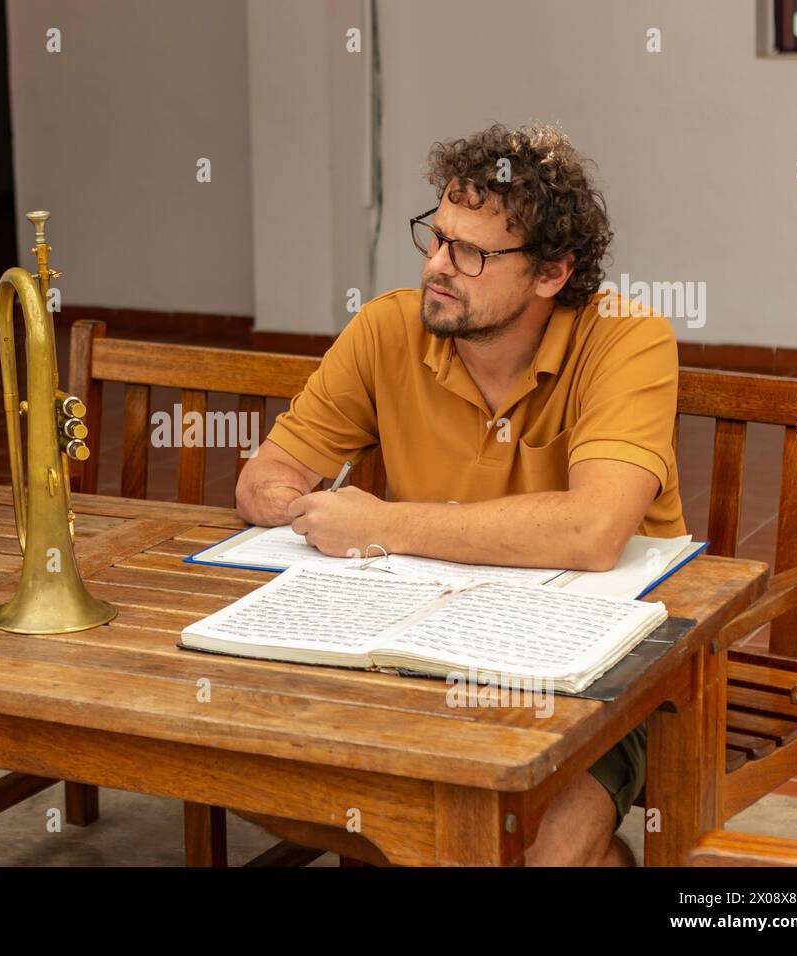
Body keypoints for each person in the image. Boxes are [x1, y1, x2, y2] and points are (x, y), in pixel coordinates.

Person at [235, 122, 685, 866]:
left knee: (519, 852)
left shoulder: (626, 339)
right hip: (420, 653)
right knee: (257, 774)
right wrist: (306, 514)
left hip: (599, 674)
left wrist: (382, 525)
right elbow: (263, 480)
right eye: (435, 238)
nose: (437, 268)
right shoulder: (386, 328)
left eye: (470, 252)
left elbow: (593, 532)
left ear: (551, 273)